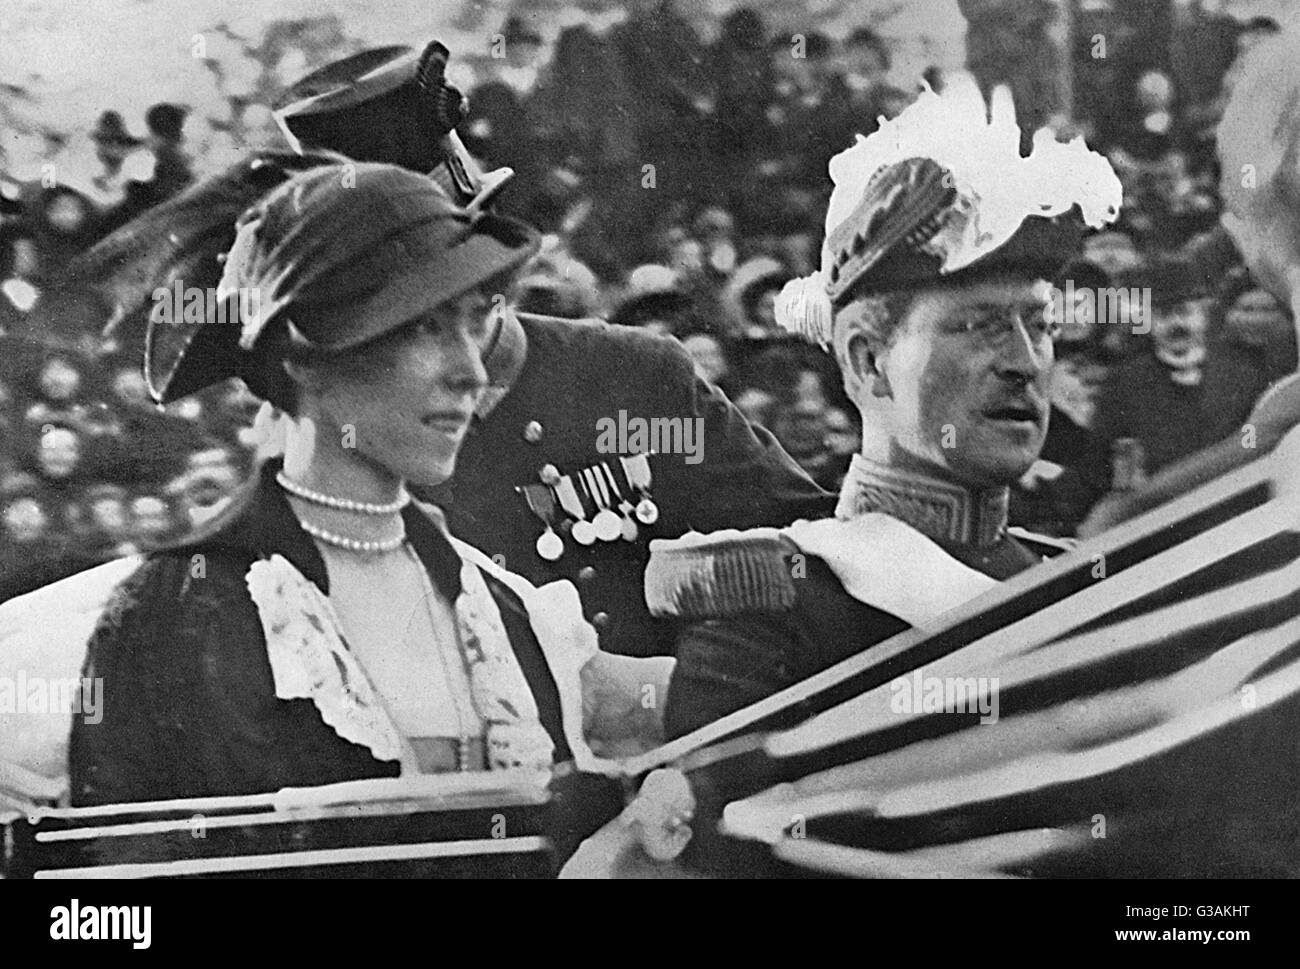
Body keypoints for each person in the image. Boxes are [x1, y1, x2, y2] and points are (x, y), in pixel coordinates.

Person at [76, 40, 832, 659]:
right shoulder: (350, 444)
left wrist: (684, 694)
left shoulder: (635, 377)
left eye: (453, 285)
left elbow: (805, 553)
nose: (448, 337)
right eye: (400, 309)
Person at [61, 163, 672, 808]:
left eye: (471, 324)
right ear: (304, 358)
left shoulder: (499, 611)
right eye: (423, 328)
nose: (469, 372)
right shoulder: (178, 614)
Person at [648, 77, 1122, 741]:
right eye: (980, 325)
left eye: (1038, 325)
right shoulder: (782, 603)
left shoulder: (1069, 579)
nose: (1024, 360)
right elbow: (718, 833)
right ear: (868, 359)